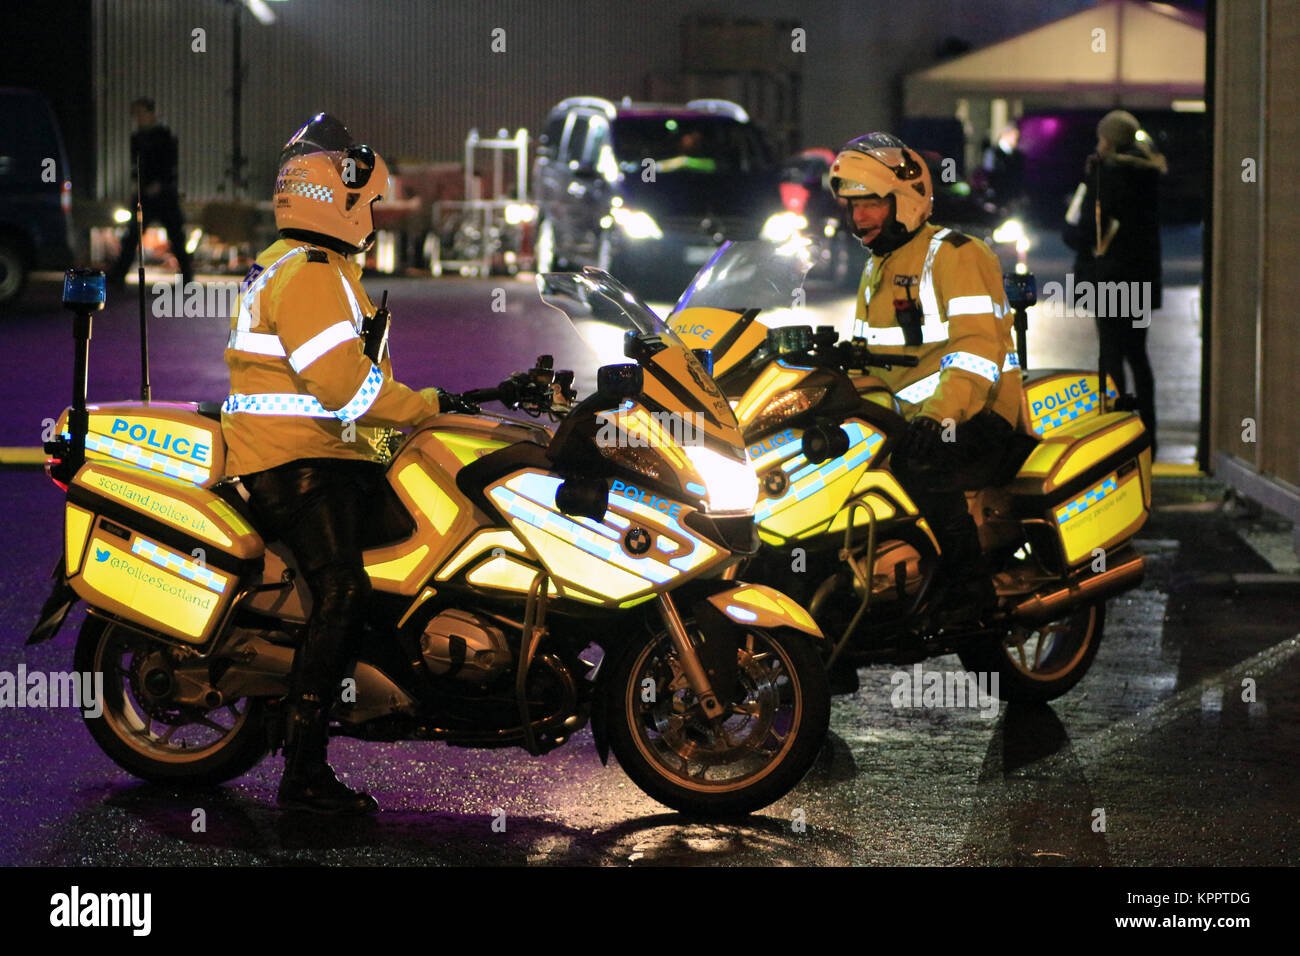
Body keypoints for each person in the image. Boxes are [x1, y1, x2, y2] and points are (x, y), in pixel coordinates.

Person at [221, 114, 464, 814]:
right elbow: (344, 388)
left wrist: (432, 420)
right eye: (370, 203)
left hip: (329, 451)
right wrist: (420, 408)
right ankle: (302, 772)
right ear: (341, 204)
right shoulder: (310, 275)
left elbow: (353, 399)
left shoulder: (316, 270)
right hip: (293, 464)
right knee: (345, 590)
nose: (375, 216)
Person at [831, 132, 1023, 630]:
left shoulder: (956, 254)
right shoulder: (879, 266)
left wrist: (940, 416)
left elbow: (978, 350)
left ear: (907, 200)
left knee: (923, 469)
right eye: (852, 207)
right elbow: (870, 357)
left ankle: (969, 590)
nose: (859, 219)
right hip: (905, 418)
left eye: (870, 204)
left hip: (976, 415)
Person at [1066, 110, 1165, 451]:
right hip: (1140, 277)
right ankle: (1148, 431)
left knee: (1110, 356)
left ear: (1107, 139)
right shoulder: (1148, 175)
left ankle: (1119, 432)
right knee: (1138, 355)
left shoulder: (1103, 175)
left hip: (1109, 277)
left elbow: (1085, 231)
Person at [108, 98, 193, 287]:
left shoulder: (164, 136)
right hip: (144, 194)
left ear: (152, 113)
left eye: (141, 113)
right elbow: (136, 167)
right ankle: (119, 274)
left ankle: (187, 275)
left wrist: (160, 183)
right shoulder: (137, 138)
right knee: (132, 235)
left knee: (175, 235)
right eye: (135, 114)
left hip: (164, 194)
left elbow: (170, 164)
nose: (138, 118)